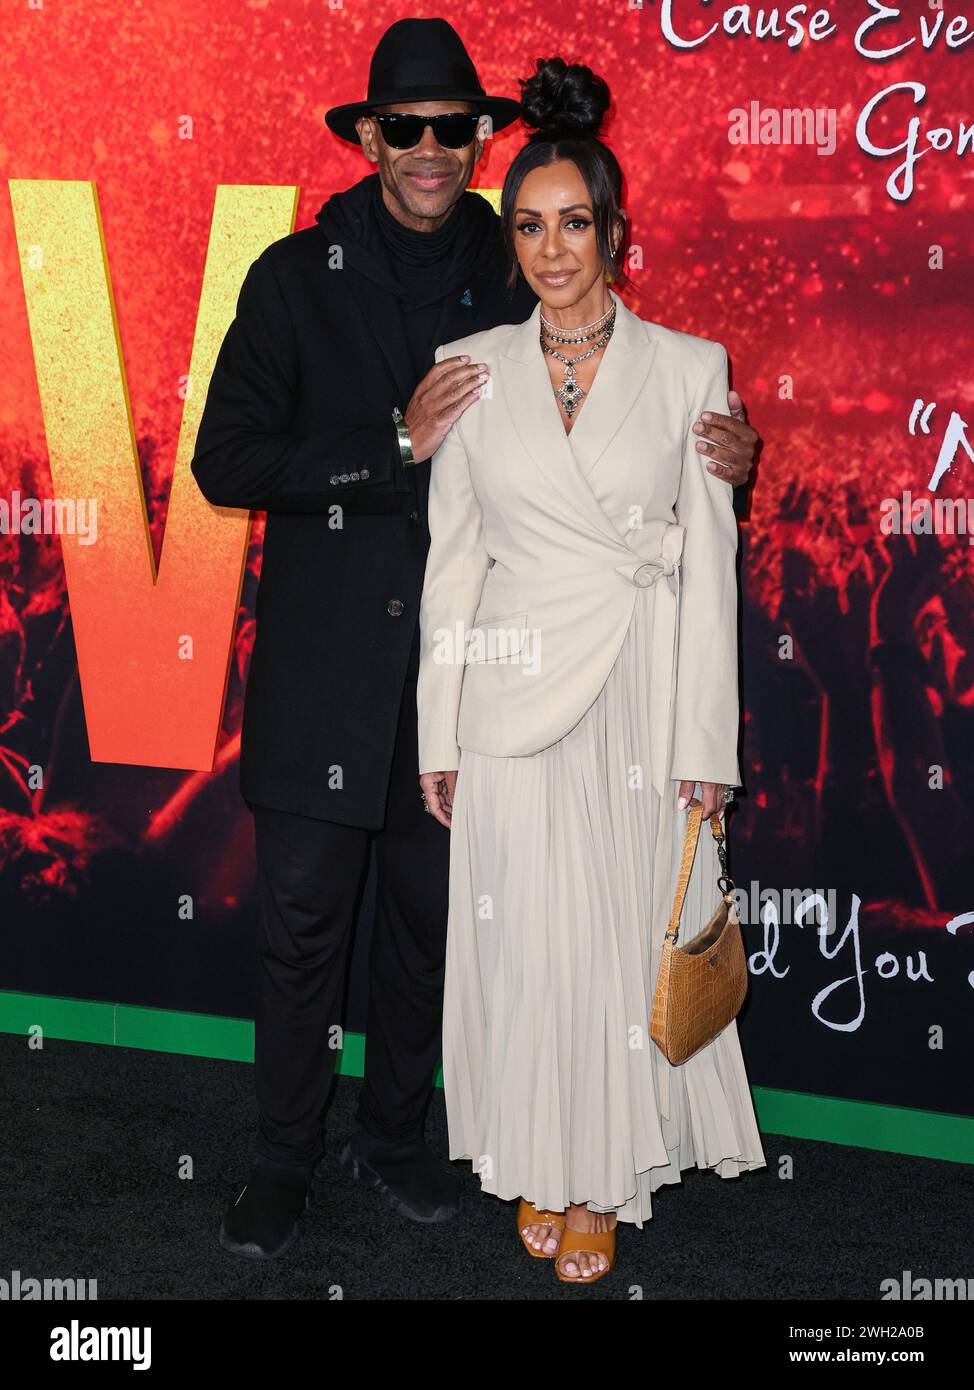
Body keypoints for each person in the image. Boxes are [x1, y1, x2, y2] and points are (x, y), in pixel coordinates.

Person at [191, 18, 757, 1261]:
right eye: (409, 128)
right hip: (331, 673)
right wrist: (386, 449)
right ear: (369, 137)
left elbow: (635, 403)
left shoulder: (520, 272)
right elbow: (220, 459)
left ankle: (397, 1140)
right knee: (299, 932)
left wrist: (728, 453)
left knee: (427, 936)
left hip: (485, 687)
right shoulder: (294, 275)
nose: (435, 149)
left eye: (458, 127)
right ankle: (280, 1161)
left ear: (486, 140)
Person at [417, 56, 767, 1284]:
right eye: (527, 225)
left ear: (616, 233)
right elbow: (451, 568)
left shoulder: (688, 369)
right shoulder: (471, 366)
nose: (550, 249)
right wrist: (436, 732)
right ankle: (541, 1159)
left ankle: (604, 1177)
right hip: (508, 697)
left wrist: (703, 751)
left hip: (634, 693)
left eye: (574, 224)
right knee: (528, 952)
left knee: (616, 949)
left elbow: (708, 573)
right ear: (506, 236)